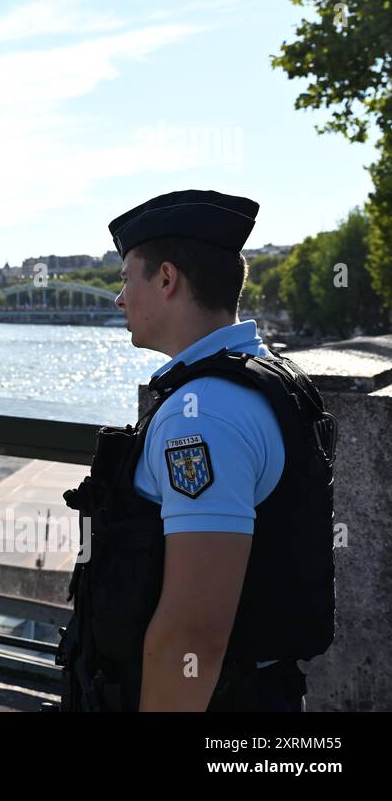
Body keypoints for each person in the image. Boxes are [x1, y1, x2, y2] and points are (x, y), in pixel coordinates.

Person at [57, 189, 336, 712]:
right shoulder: (272, 380)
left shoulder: (203, 414)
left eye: (124, 278)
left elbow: (195, 631)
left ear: (166, 279)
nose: (118, 299)